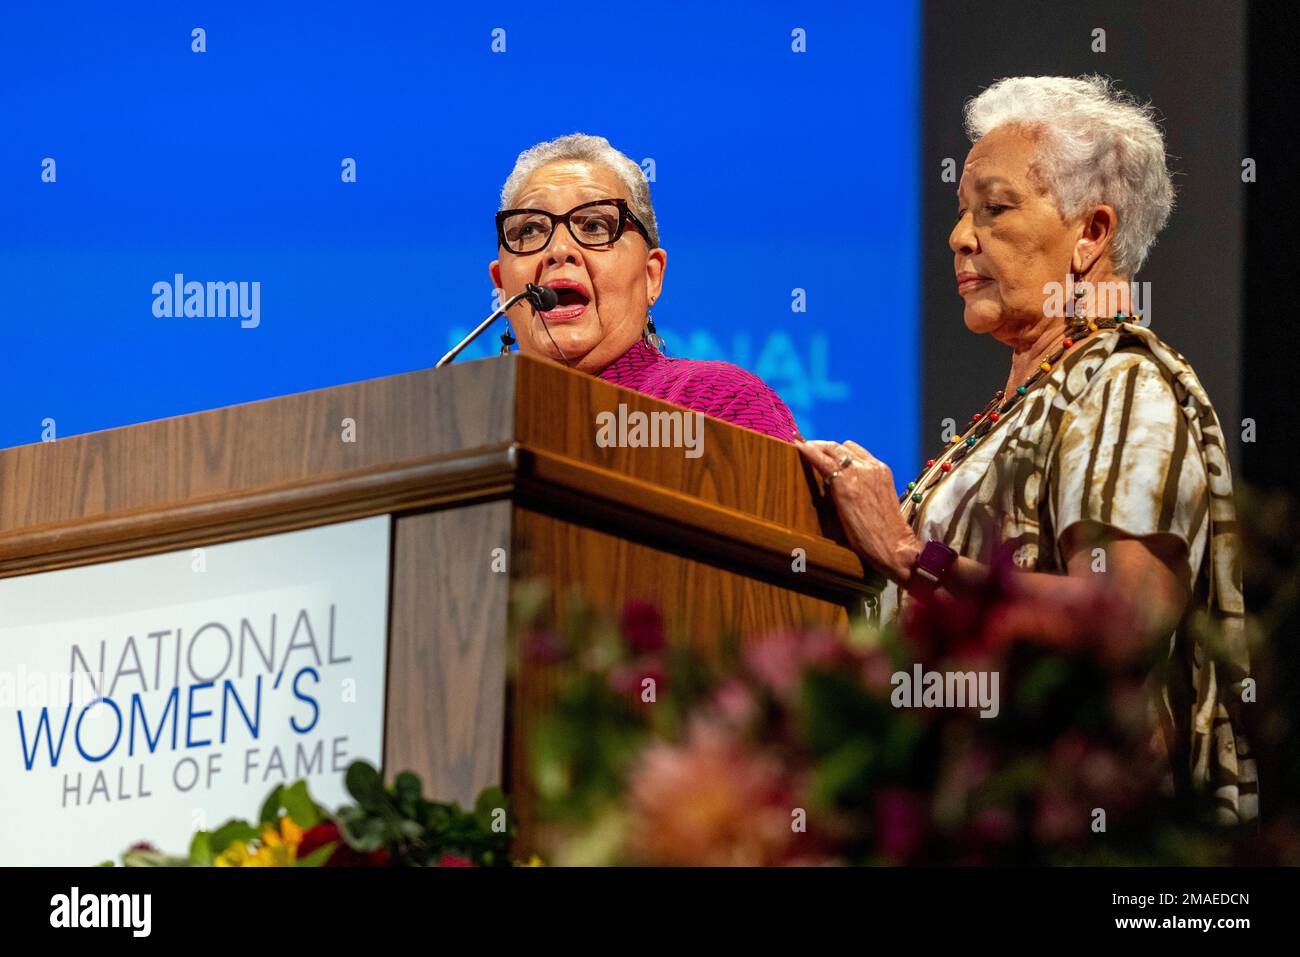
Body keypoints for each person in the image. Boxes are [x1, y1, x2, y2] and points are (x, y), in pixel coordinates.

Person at [797, 76, 1255, 824]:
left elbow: (1125, 617)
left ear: (1092, 233)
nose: (959, 237)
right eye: (961, 212)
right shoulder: (1033, 400)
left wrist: (910, 553)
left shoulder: (1123, 383)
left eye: (995, 208)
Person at [490, 133, 799, 442]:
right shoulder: (462, 426)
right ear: (502, 285)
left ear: (652, 276)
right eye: (529, 229)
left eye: (595, 226)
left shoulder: (714, 402)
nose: (558, 250)